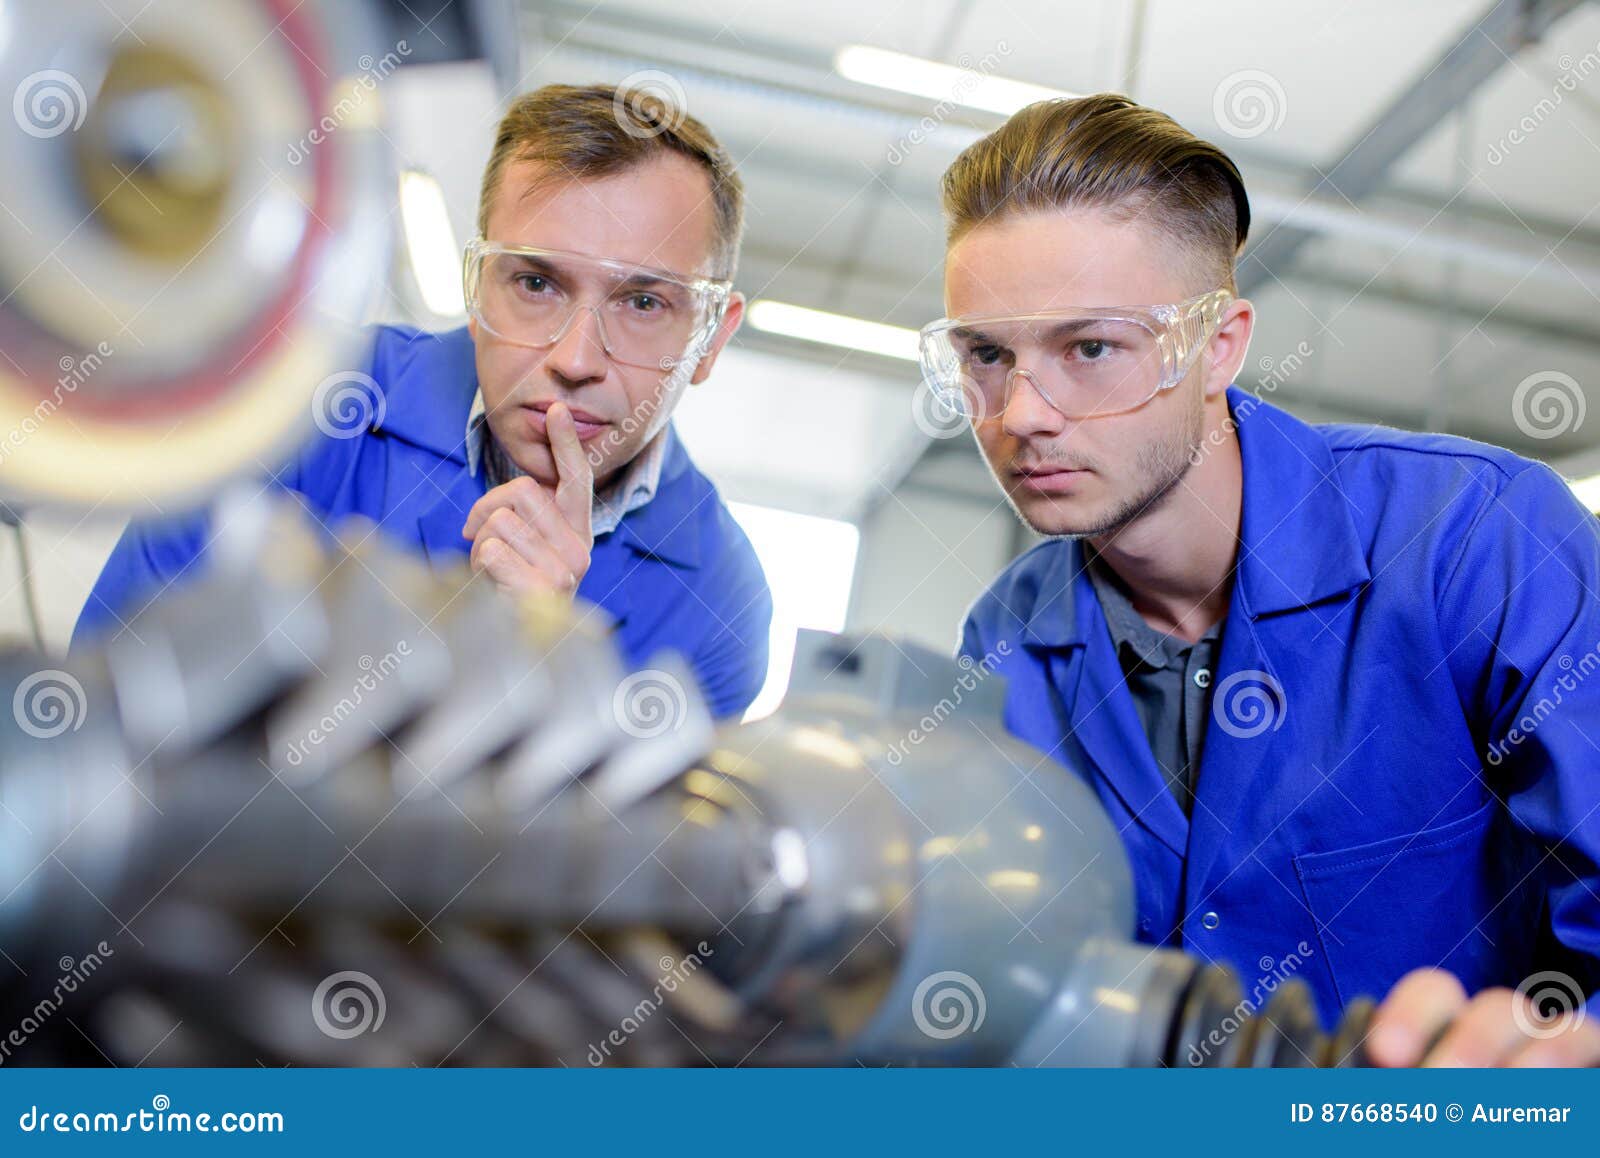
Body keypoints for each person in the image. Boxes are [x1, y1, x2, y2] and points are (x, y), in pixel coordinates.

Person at [933, 93, 1600, 1065]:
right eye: (986, 355)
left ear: (1220, 348)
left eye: (1088, 349)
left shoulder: (1478, 542)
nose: (1022, 412)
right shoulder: (1003, 643)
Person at [74, 84, 772, 720]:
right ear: (477, 288)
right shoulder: (296, 405)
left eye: (644, 302)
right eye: (535, 284)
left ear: (711, 340)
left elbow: (603, 857)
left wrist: (535, 647)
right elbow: (103, 716)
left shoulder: (719, 606)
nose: (576, 360)